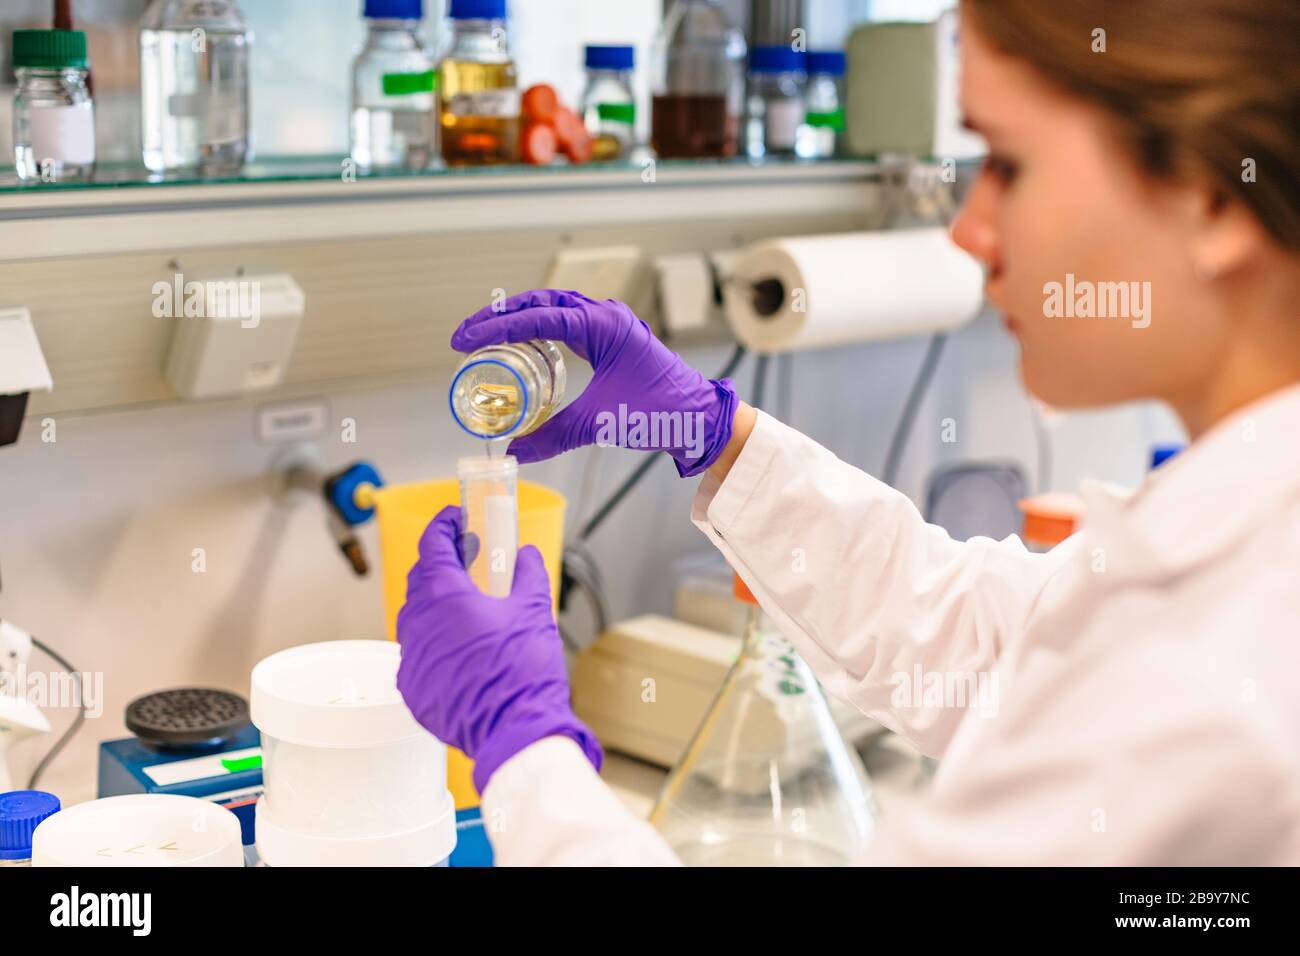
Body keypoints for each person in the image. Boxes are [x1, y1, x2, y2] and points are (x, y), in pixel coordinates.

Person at [396, 0, 1300, 865]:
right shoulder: (1242, 531)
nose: (969, 232)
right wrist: (720, 437)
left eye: (1008, 164)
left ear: (1210, 196)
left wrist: (522, 750)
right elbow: (981, 642)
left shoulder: (1221, 677)